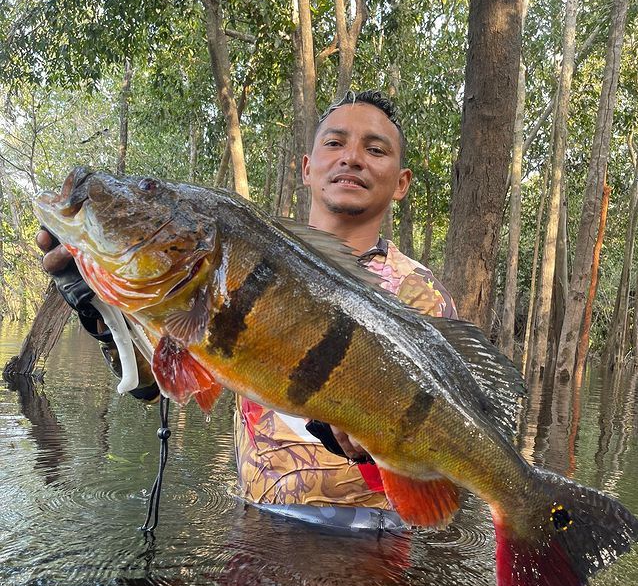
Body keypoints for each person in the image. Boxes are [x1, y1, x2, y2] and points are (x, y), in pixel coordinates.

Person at [36, 90, 456, 530]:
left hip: (373, 540)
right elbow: (156, 383)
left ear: (402, 181)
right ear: (307, 168)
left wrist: (373, 448)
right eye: (334, 143)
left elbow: (444, 464)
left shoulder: (419, 294)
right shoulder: (243, 256)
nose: (351, 158)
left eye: (374, 148)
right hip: (254, 527)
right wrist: (105, 317)